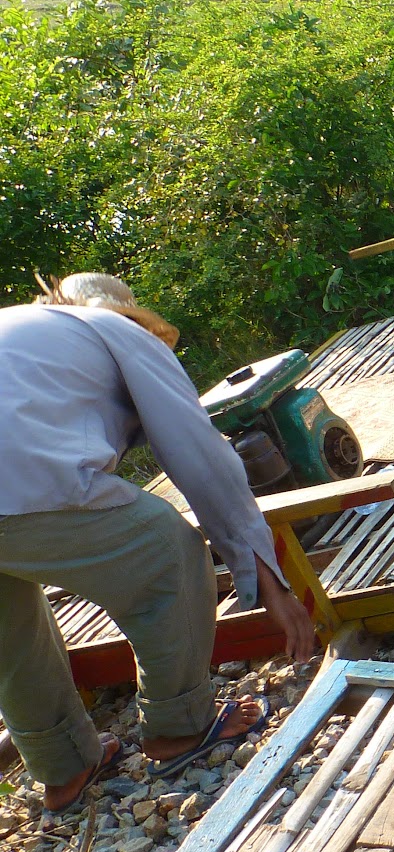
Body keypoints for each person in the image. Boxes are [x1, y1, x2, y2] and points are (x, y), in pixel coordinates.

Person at [0, 274, 318, 814]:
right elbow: (201, 458)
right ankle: (179, 729)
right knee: (167, 548)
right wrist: (269, 576)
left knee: (10, 630)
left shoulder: (22, 327)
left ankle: (63, 768)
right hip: (23, 485)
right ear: (133, 314)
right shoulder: (115, 330)